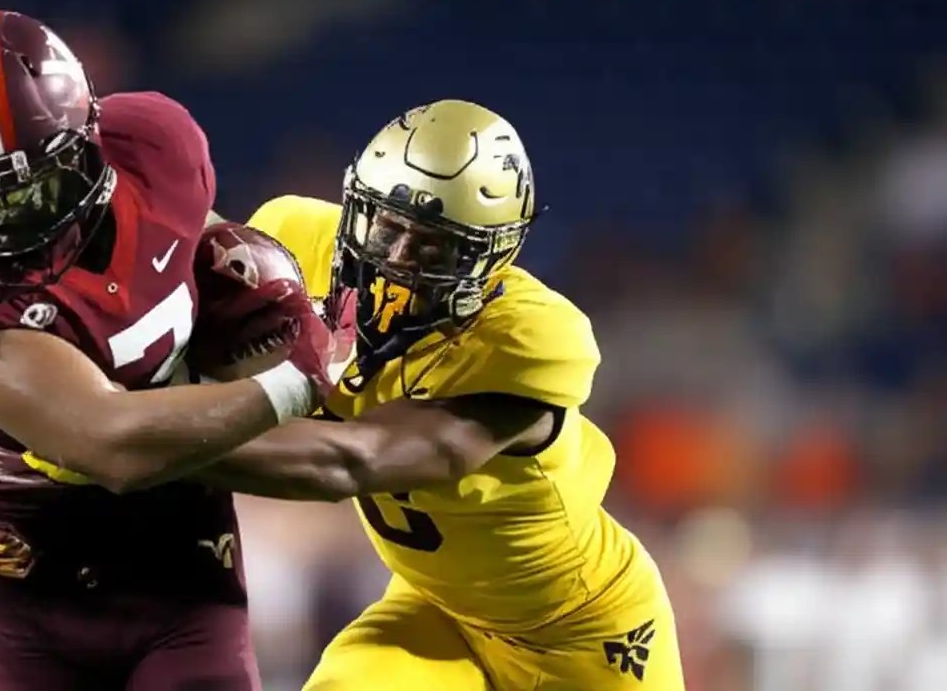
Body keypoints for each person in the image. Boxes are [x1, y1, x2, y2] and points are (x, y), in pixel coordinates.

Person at [0, 10, 342, 691]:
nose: (7, 225)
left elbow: (201, 247)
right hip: (28, 589)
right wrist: (298, 381)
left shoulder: (153, 152)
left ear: (87, 148)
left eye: (31, 190)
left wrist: (283, 305)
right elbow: (109, 445)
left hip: (178, 556)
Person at [198, 100, 687, 690]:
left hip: (578, 630)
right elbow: (175, 241)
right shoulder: (300, 242)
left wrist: (150, 438)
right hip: (436, 609)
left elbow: (354, 458)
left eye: (434, 247)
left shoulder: (525, 336)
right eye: (387, 226)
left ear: (491, 258)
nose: (398, 261)